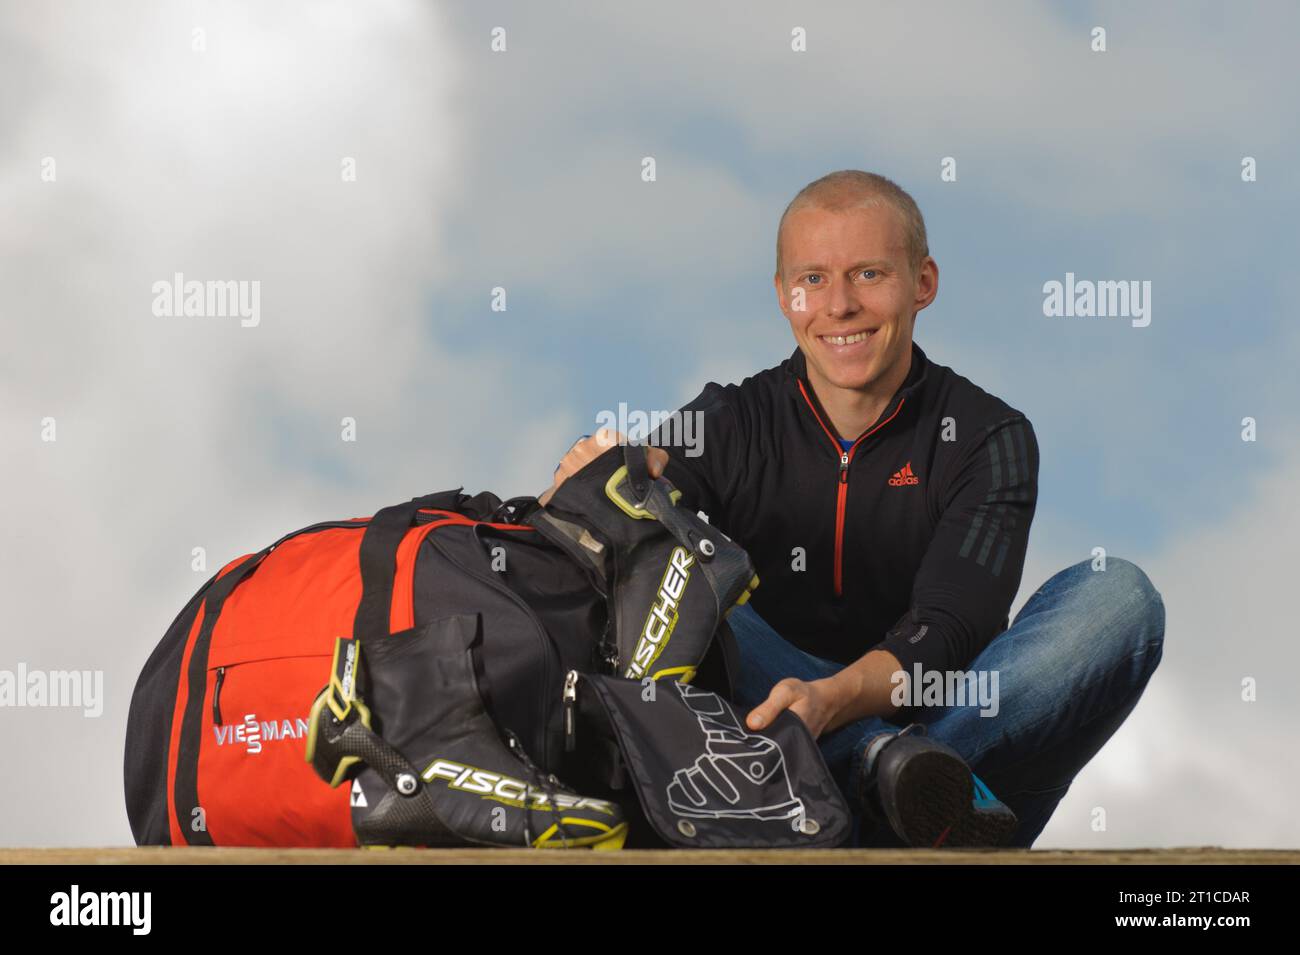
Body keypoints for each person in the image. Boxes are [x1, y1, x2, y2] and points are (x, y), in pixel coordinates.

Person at [539, 170, 1165, 849]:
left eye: (868, 274)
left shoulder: (988, 435)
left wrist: (832, 702)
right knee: (668, 569)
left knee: (1118, 599)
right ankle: (888, 775)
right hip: (770, 764)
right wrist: (594, 482)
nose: (838, 305)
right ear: (783, 294)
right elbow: (603, 557)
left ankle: (902, 784)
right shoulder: (728, 421)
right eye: (812, 279)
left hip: (964, 745)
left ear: (922, 282)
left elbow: (948, 632)